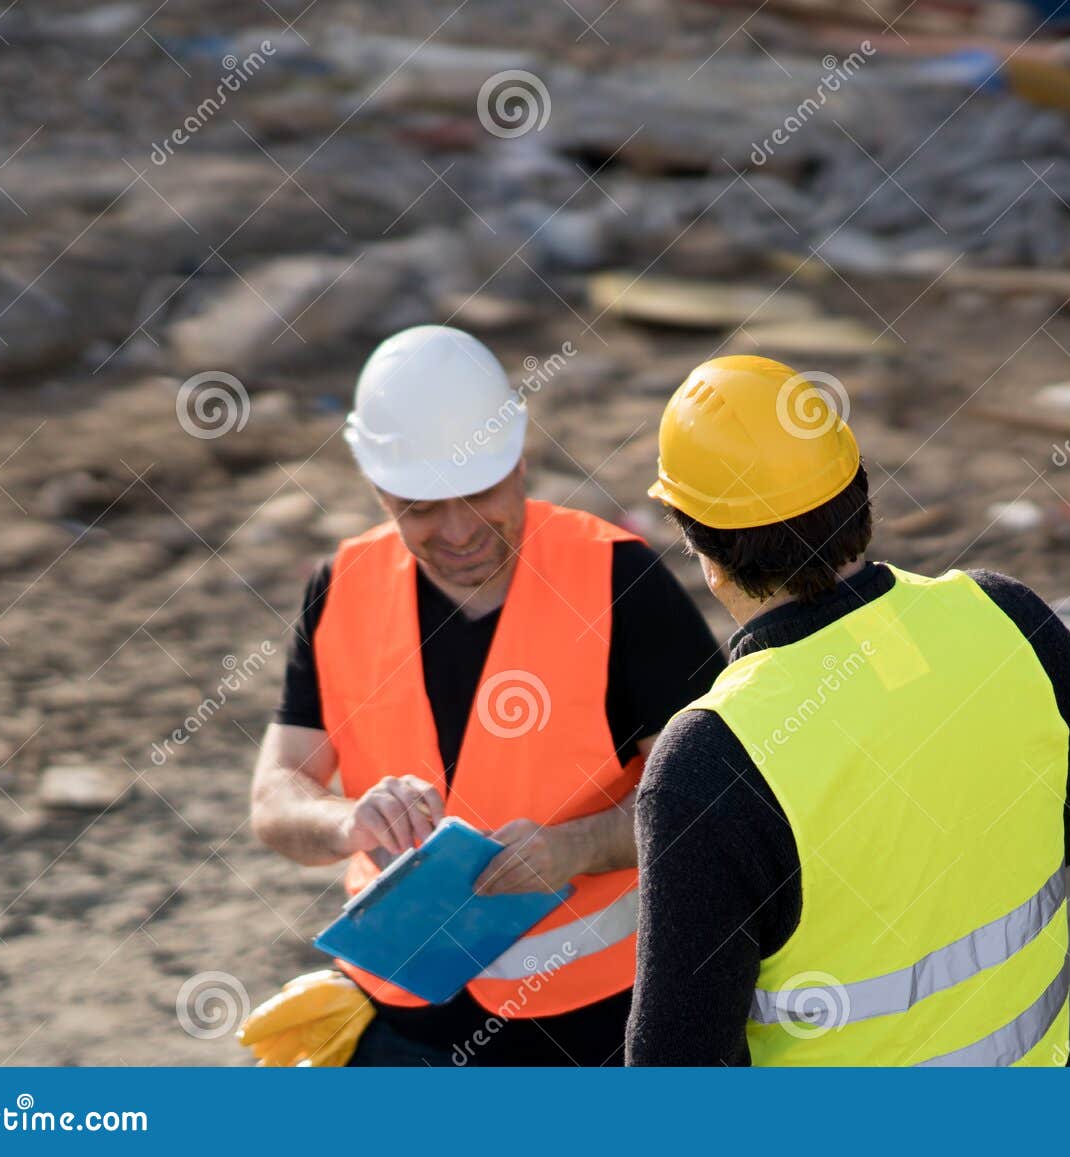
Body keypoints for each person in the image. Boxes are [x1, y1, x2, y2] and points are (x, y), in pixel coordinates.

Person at [626, 355, 1070, 1066]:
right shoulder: (1003, 615)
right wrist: (985, 867)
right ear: (858, 492)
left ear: (700, 542)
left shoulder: (711, 762)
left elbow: (675, 1068)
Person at [249, 325, 723, 1066]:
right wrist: (347, 821)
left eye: (479, 494)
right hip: (403, 1015)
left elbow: (714, 803)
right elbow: (276, 795)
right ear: (377, 487)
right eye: (420, 507)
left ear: (518, 459)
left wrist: (577, 846)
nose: (459, 530)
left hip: (605, 1022)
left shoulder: (618, 580)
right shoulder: (340, 589)